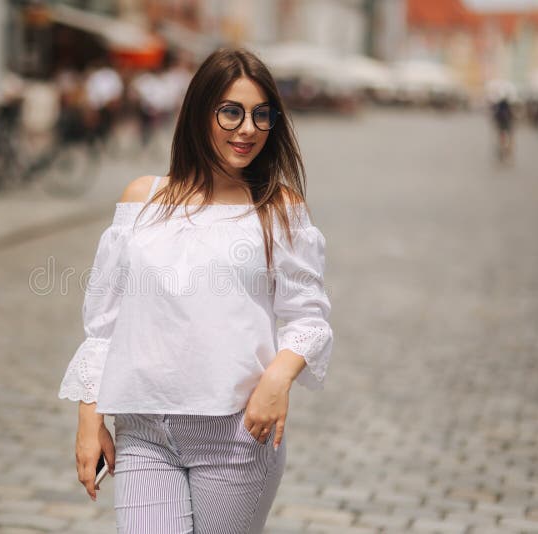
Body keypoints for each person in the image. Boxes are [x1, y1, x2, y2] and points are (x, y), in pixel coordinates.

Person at [58, 47, 334, 533]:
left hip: (236, 435)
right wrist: (89, 417)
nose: (247, 128)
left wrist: (277, 379)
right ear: (198, 113)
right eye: (231, 111)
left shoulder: (278, 207)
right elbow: (105, 322)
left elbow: (308, 318)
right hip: (144, 434)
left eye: (261, 115)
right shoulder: (142, 198)